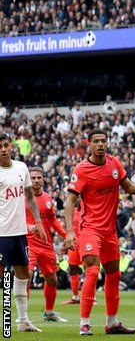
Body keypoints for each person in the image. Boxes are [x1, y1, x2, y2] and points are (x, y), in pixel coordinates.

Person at [64, 128, 135, 335]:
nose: (101, 144)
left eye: (104, 140)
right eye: (96, 141)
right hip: (90, 229)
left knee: (114, 275)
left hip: (110, 231)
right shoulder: (82, 169)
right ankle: (84, 323)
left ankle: (112, 323)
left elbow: (129, 187)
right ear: (89, 145)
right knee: (92, 271)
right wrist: (69, 232)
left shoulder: (114, 163)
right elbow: (70, 200)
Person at [0, 133, 48, 332]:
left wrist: (37, 222)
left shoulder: (21, 167)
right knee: (3, 279)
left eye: (5, 145)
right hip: (1, 233)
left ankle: (23, 321)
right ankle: (8, 322)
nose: (3, 149)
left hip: (19, 233)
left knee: (22, 275)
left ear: (11, 146)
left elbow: (30, 197)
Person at [25, 166, 69, 323]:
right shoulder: (23, 198)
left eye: (39, 178)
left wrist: (65, 235)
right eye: (33, 178)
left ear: (43, 179)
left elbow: (53, 220)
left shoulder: (48, 198)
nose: (36, 181)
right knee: (26, 276)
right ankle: (24, 316)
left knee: (52, 279)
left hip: (46, 245)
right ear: (28, 179)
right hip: (28, 242)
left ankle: (49, 312)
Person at [63, 201, 84, 305]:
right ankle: (75, 297)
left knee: (90, 269)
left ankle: (91, 297)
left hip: (86, 242)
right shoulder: (72, 211)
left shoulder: (88, 210)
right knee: (72, 268)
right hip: (74, 244)